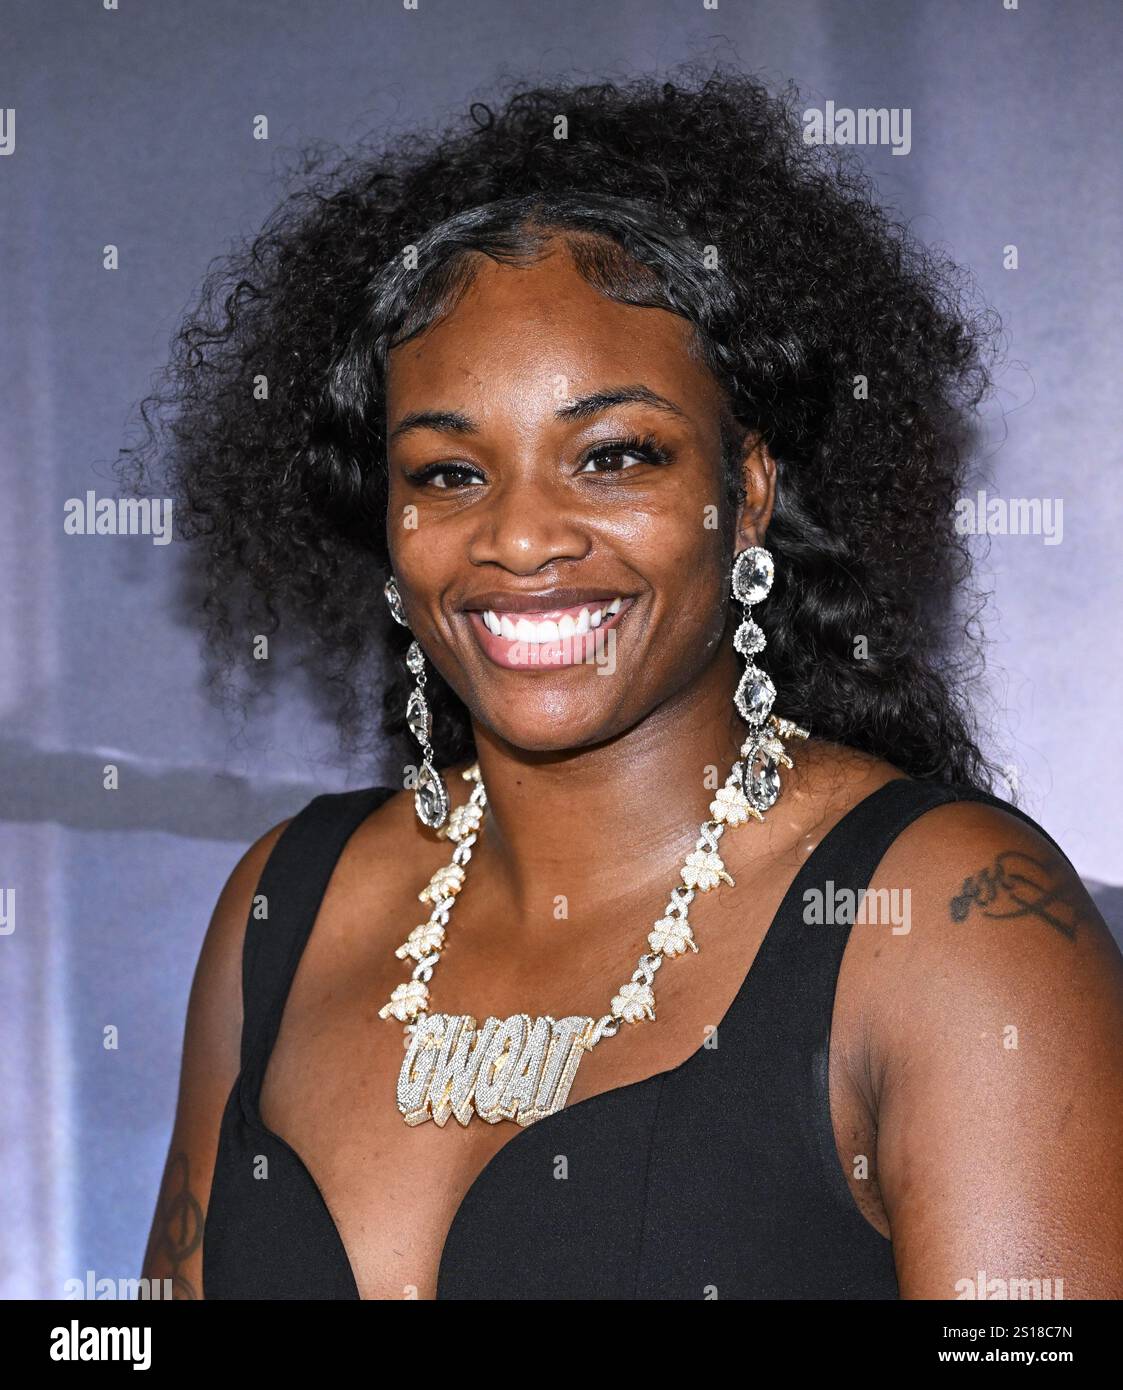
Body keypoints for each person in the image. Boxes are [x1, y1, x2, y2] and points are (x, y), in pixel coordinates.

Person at [133, 67, 1123, 1300]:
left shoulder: (950, 926)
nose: (521, 536)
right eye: (447, 472)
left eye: (613, 456)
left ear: (745, 490)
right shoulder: (281, 906)